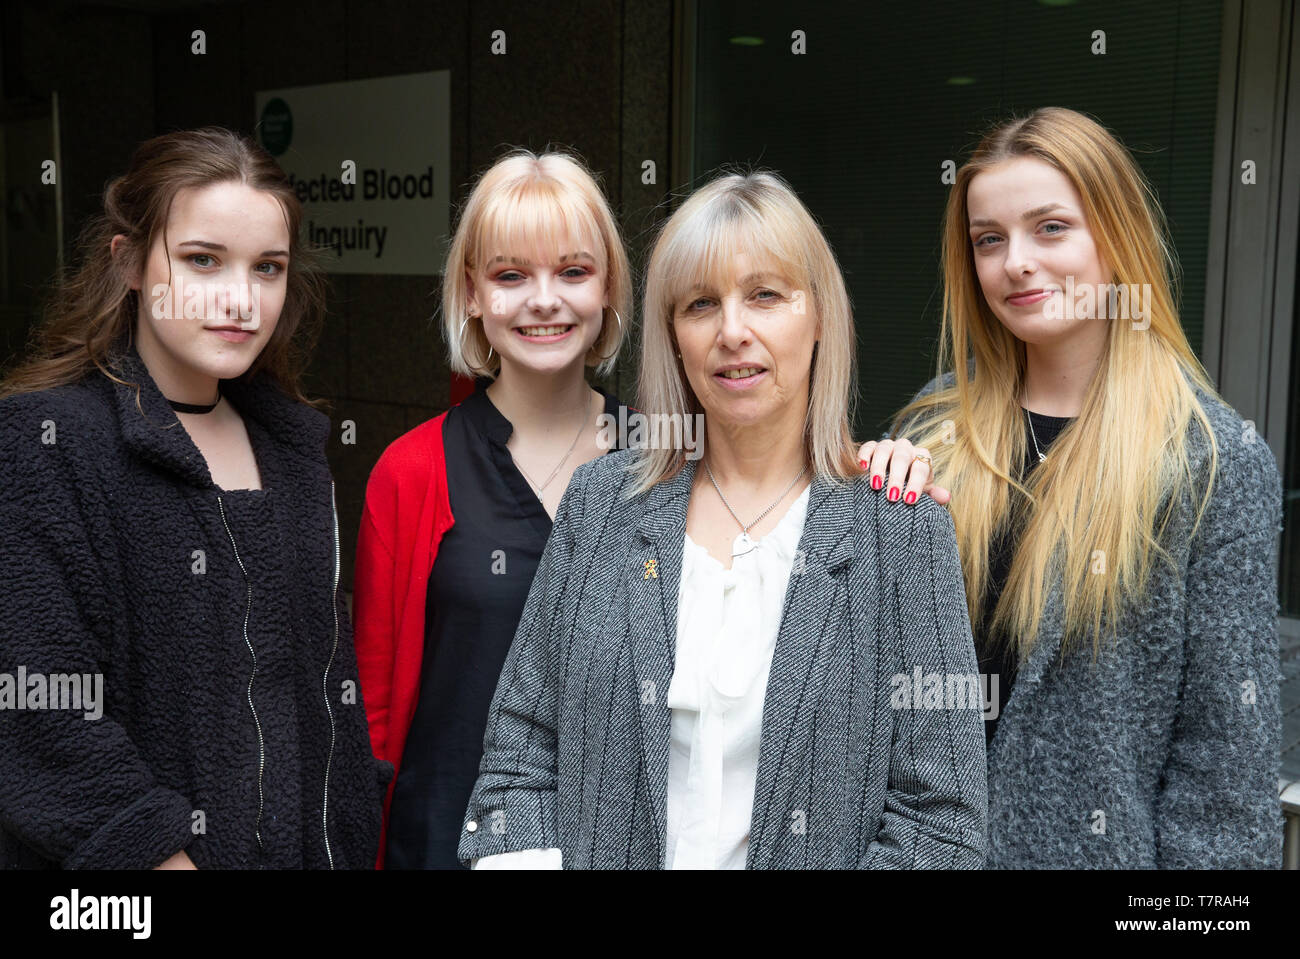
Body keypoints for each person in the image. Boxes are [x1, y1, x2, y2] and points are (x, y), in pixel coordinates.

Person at [457, 169, 987, 869]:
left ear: (820, 314)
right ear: (674, 335)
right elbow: (517, 761)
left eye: (766, 295)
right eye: (701, 303)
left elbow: (943, 822)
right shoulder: (600, 505)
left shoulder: (900, 530)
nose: (733, 331)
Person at [883, 107, 1284, 867]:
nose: (1017, 262)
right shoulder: (934, 428)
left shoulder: (1212, 458)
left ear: (1117, 234)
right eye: (989, 240)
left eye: (1051, 228)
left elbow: (1226, 775)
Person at [0, 127, 389, 869]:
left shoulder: (295, 455)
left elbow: (317, 703)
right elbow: (39, 710)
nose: (241, 298)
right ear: (131, 263)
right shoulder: (45, 443)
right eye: (203, 260)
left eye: (267, 268)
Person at [353, 150, 633, 869]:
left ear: (607, 289)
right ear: (473, 293)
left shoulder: (665, 460)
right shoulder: (409, 471)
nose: (545, 299)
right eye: (511, 275)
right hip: (442, 843)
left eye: (573, 271)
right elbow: (375, 716)